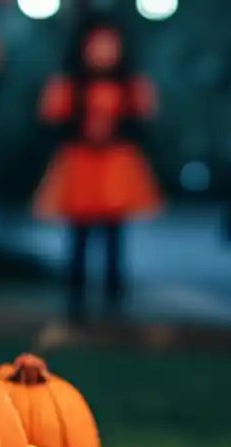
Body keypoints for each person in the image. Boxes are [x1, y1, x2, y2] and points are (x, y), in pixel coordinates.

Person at [34, 11, 161, 325]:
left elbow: (144, 124)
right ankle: (76, 305)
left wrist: (114, 130)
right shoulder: (68, 85)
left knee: (115, 240)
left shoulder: (132, 86)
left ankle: (113, 304)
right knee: (78, 240)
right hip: (81, 167)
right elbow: (51, 123)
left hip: (117, 170)